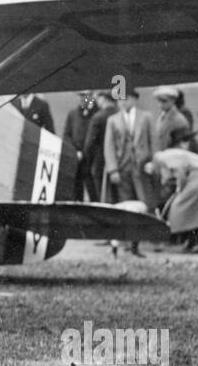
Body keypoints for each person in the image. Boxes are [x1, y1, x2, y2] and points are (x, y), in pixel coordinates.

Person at [103, 87, 157, 257]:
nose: (122, 102)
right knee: (123, 207)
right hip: (122, 171)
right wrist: (113, 170)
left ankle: (136, 245)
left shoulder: (146, 117)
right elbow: (109, 146)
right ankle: (120, 243)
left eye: (126, 99)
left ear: (134, 99)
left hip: (141, 171)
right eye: (119, 99)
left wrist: (153, 162)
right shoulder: (113, 120)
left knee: (141, 207)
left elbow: (153, 142)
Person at [81, 89, 116, 206]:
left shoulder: (98, 117)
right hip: (118, 162)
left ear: (103, 98)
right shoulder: (119, 114)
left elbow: (89, 144)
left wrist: (87, 161)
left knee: (100, 197)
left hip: (99, 162)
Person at [62, 91, 98, 201]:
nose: (83, 99)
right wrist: (75, 151)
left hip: (92, 159)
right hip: (77, 158)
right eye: (81, 96)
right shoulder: (73, 114)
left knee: (93, 190)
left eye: (86, 96)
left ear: (92, 96)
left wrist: (86, 152)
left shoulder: (97, 114)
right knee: (77, 190)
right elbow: (67, 135)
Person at [152, 86, 190, 154]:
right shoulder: (161, 117)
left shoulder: (179, 120)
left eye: (164, 101)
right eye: (159, 101)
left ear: (173, 100)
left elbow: (183, 146)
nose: (160, 104)